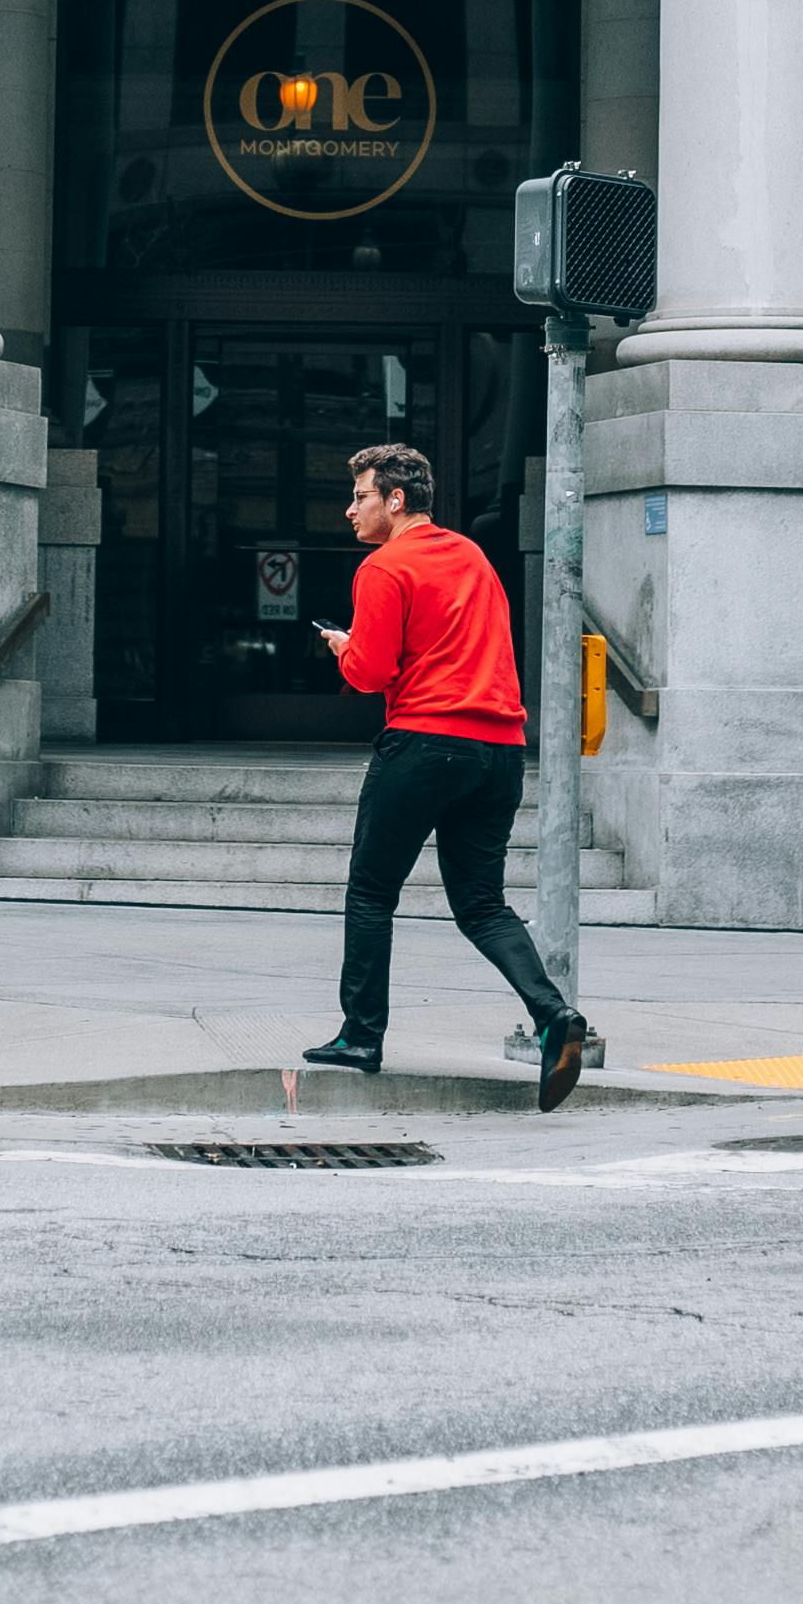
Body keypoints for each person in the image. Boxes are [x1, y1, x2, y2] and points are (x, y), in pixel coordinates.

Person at [301, 440, 587, 1111]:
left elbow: (371, 674)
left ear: (395, 500)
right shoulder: (471, 555)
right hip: (499, 750)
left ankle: (360, 1037)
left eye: (360, 497)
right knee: (481, 903)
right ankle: (553, 1016)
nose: (350, 511)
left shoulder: (384, 566)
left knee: (371, 893)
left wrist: (344, 650)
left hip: (425, 743)